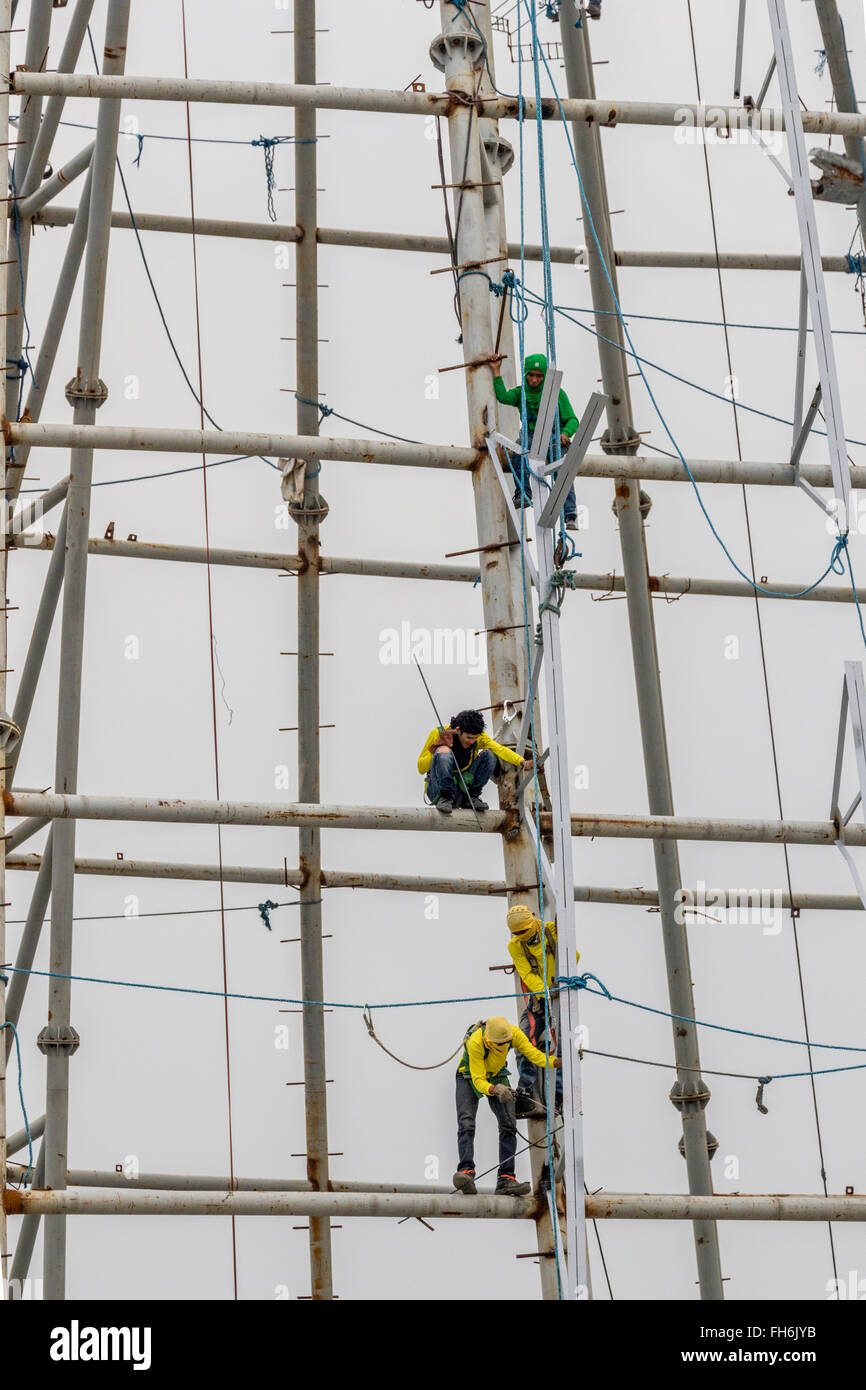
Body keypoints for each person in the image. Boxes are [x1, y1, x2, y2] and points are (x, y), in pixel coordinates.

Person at [453, 1015, 562, 1197]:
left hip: (497, 1076)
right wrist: (495, 1089)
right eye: (499, 1045)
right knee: (466, 1123)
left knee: (508, 1125)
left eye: (506, 1044)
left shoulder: (514, 1034)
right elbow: (478, 1079)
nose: (504, 1047)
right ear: (488, 1041)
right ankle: (466, 1172)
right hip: (469, 1077)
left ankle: (506, 1178)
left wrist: (556, 1063)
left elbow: (533, 1055)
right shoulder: (476, 1043)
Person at [490, 352, 580, 530]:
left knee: (560, 469)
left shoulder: (557, 393)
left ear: (545, 376)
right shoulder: (521, 393)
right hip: (531, 437)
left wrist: (565, 433)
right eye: (531, 375)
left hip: (554, 436)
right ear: (526, 374)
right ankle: (523, 493)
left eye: (539, 376)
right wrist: (496, 372)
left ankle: (570, 513)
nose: (534, 380)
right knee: (519, 453)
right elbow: (503, 397)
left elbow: (572, 420)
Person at [507, 904, 581, 1114]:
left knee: (562, 1046)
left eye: (524, 931)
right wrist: (545, 992)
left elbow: (573, 957)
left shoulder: (550, 931)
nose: (522, 936)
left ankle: (559, 1095)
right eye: (517, 933)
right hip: (540, 1000)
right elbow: (527, 975)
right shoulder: (516, 946)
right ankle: (526, 1091)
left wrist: (560, 941)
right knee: (524, 1040)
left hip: (563, 997)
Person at [417, 708, 525, 816]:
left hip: (462, 791)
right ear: (458, 730)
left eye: (475, 738)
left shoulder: (480, 738)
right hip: (438, 792)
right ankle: (446, 797)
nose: (471, 741)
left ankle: (472, 797)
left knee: (490, 755)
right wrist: (435, 748)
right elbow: (421, 768)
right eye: (468, 737)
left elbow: (499, 749)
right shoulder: (439, 733)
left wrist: (521, 761)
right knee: (444, 752)